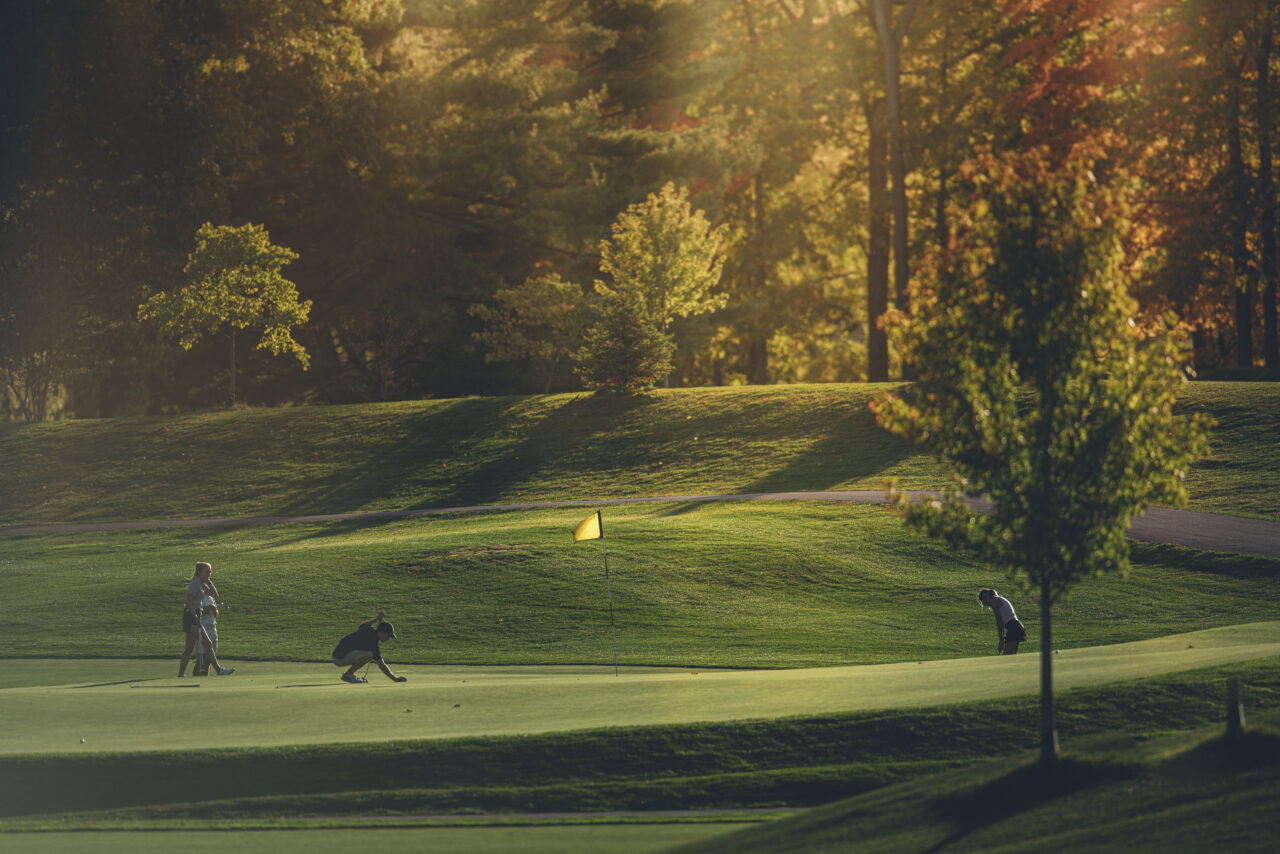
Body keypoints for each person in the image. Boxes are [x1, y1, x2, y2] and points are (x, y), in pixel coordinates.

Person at [179, 562, 235, 677]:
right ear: (199, 572)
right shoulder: (195, 584)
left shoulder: (201, 583)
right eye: (207, 571)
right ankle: (219, 670)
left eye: (210, 571)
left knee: (189, 649)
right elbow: (188, 602)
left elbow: (215, 594)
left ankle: (180, 675)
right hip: (191, 617)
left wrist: (208, 580)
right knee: (207, 642)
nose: (209, 573)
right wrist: (195, 617)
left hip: (194, 616)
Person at [332, 611, 407, 683]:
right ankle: (348, 675)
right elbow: (382, 665)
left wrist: (377, 619)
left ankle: (348, 674)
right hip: (339, 657)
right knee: (370, 655)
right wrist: (394, 678)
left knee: (370, 654)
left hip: (339, 654)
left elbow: (363, 624)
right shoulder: (373, 644)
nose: (388, 639)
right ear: (381, 632)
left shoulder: (368, 629)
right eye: (388, 636)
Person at [978, 588, 1027, 655]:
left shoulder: (994, 601)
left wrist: (1001, 640)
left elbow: (999, 621)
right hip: (1016, 626)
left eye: (982, 601)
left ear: (985, 599)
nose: (984, 604)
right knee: (1011, 657)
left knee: (1007, 656)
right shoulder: (999, 598)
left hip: (1013, 627)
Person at [193, 589, 220, 677]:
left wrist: (215, 610)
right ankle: (195, 678)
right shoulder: (198, 595)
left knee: (208, 660)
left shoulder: (211, 597)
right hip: (202, 627)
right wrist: (208, 608)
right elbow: (194, 610)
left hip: (212, 627)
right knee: (201, 658)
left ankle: (204, 679)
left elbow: (215, 614)